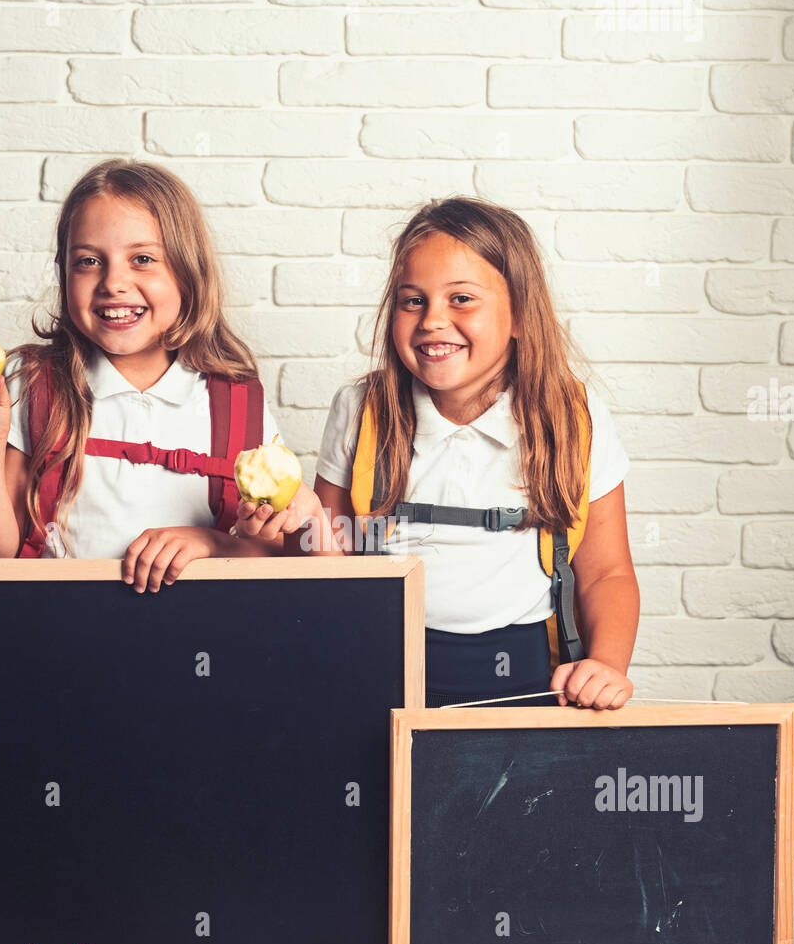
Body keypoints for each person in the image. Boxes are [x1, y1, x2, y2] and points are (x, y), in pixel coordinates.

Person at [237, 196, 639, 710]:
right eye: (413, 301)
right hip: (382, 663)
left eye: (462, 299)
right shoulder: (362, 410)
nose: (432, 321)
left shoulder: (572, 418)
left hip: (527, 672)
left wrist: (606, 664)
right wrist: (301, 524)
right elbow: (332, 565)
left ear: (519, 314)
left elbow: (608, 573)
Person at [0, 158, 313, 591]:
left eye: (143, 258)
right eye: (89, 261)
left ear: (189, 273)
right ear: (63, 271)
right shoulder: (31, 384)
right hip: (61, 634)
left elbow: (277, 554)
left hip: (198, 639)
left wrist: (210, 542)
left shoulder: (238, 401)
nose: (114, 282)